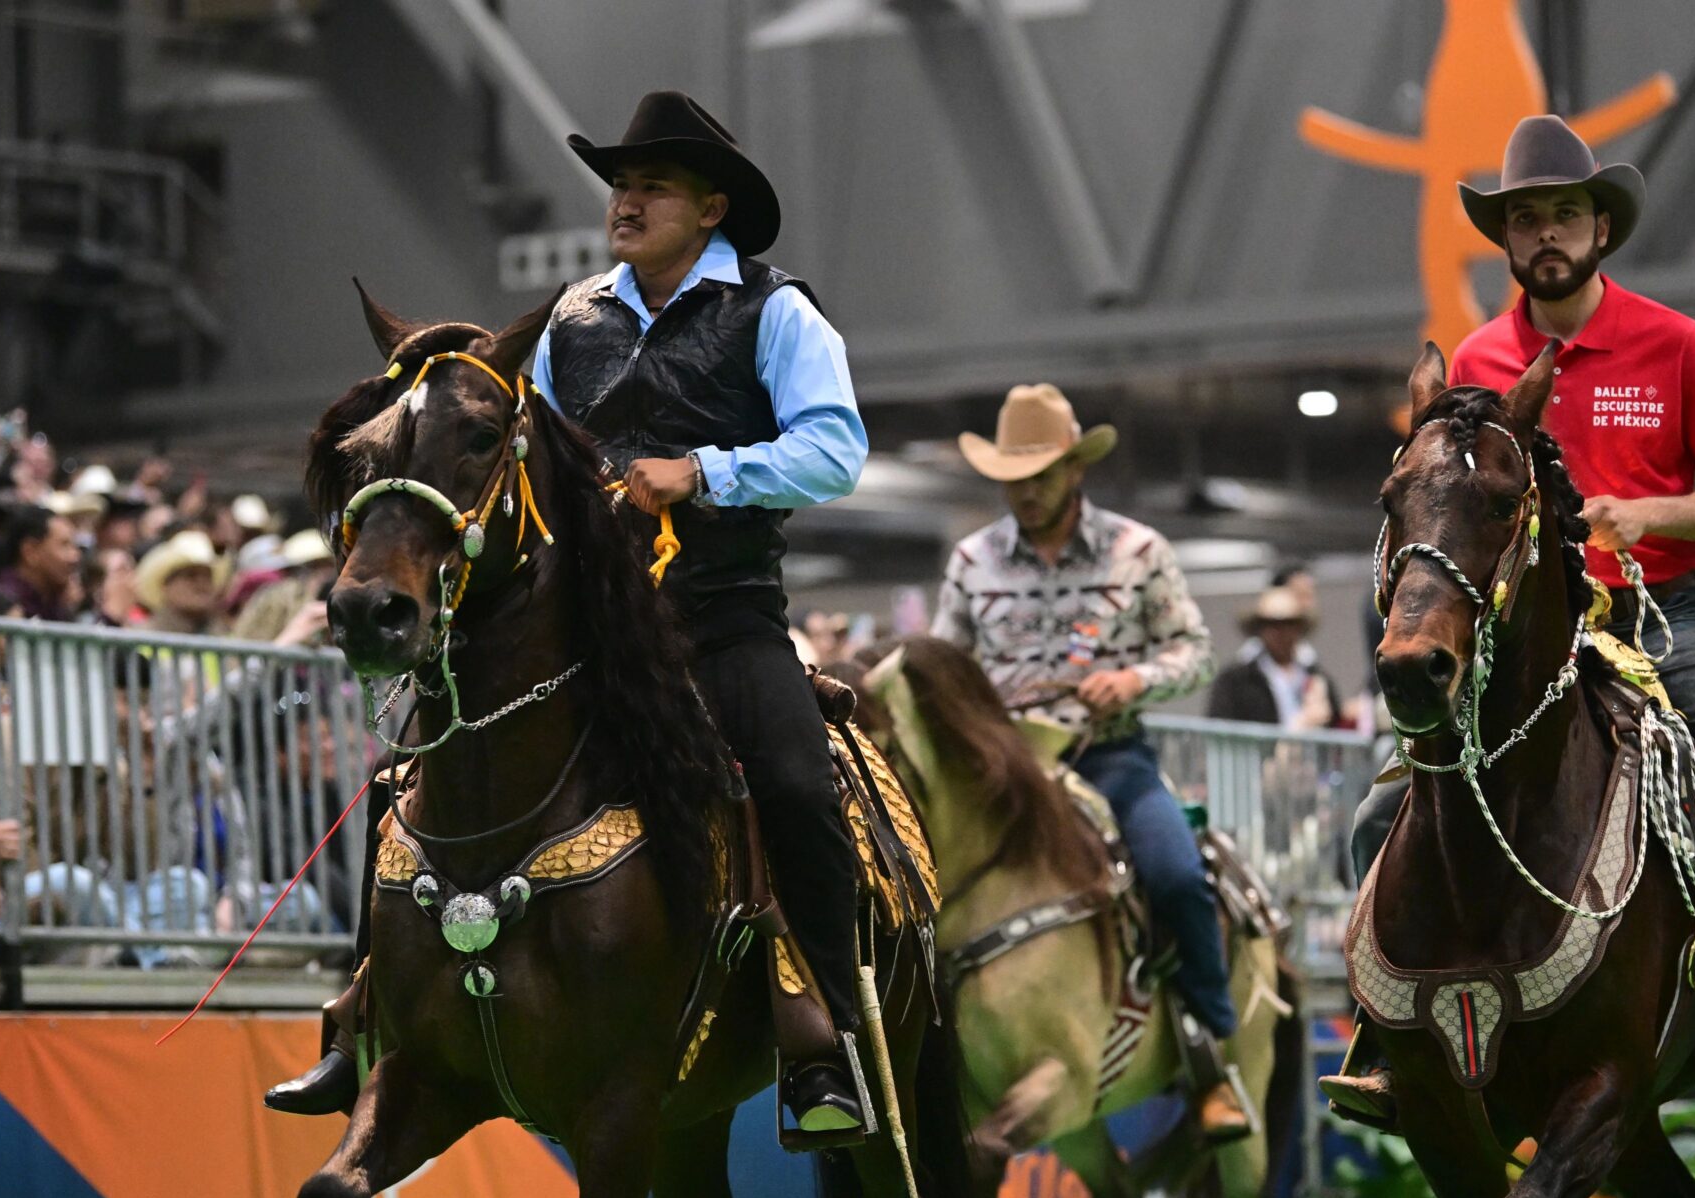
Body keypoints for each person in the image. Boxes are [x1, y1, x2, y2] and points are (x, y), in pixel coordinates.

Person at [270, 89, 878, 1144]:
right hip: (593, 630)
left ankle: (823, 1043)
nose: (624, 202)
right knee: (407, 775)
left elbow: (835, 450)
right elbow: (531, 461)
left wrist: (700, 471)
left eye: (651, 187)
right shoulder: (570, 322)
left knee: (791, 779)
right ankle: (363, 1011)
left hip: (723, 623)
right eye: (620, 185)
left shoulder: (777, 312)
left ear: (711, 208)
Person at [1345, 114, 1695, 1110]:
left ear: (1600, 230)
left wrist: (1650, 512)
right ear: (1506, 242)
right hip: (1518, 641)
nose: (1544, 235)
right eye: (1525, 221)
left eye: (1564, 215)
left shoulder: (1673, 343)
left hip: (1661, 620)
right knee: (1378, 815)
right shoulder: (1477, 357)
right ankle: (1382, 1041)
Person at [930, 382, 1250, 1137]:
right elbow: (945, 666)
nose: (1025, 492)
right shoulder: (972, 561)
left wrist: (1135, 679)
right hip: (1001, 775)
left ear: (1075, 470)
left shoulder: (1139, 551)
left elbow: (1196, 651)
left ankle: (1212, 1059)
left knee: (1174, 872)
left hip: (1108, 757)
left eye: (1039, 475)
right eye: (1013, 477)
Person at [1208, 586, 1344, 728]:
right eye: (1272, 624)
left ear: (1299, 627)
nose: (1281, 633)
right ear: (1259, 628)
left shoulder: (1316, 676)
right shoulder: (1236, 680)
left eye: (1288, 624)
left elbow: (1336, 726)